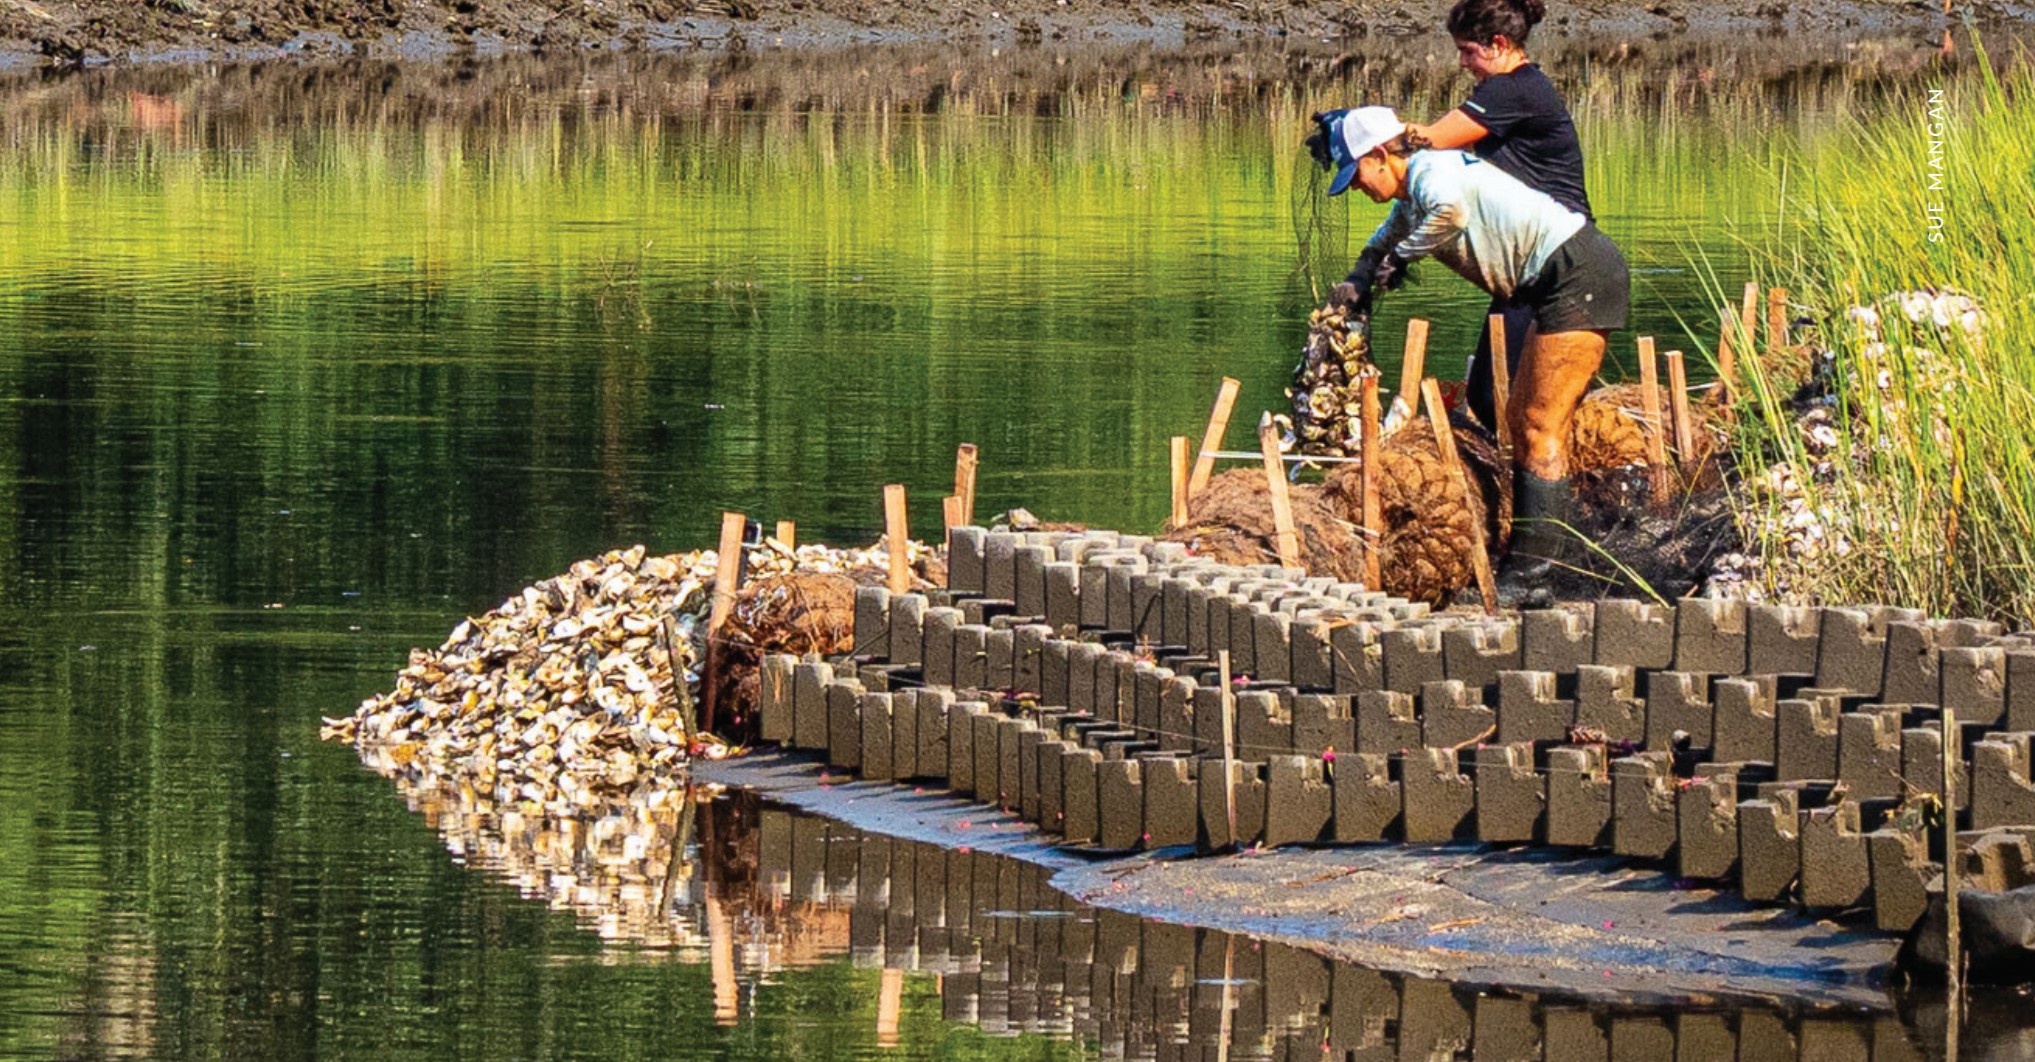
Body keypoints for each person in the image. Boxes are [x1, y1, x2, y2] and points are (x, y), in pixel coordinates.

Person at [1317, 105, 1628, 596]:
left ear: (1380, 155)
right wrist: (1361, 275)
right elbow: (1389, 234)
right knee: (1519, 417)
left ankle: (1532, 573)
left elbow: (1451, 214)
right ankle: (1546, 561)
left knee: (1537, 424)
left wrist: (1401, 258)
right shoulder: (1414, 190)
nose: (1356, 188)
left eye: (1355, 176)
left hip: (1576, 273)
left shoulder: (1432, 170)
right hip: (1549, 281)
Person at [1405, 0, 1592, 436]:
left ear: (1499, 44)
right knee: (1489, 395)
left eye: (1468, 50)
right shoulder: (1513, 88)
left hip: (1557, 258)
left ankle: (1535, 487)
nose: (1462, 62)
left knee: (1499, 397)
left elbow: (1433, 142)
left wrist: (1364, 132)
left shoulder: (1512, 90)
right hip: (1532, 257)